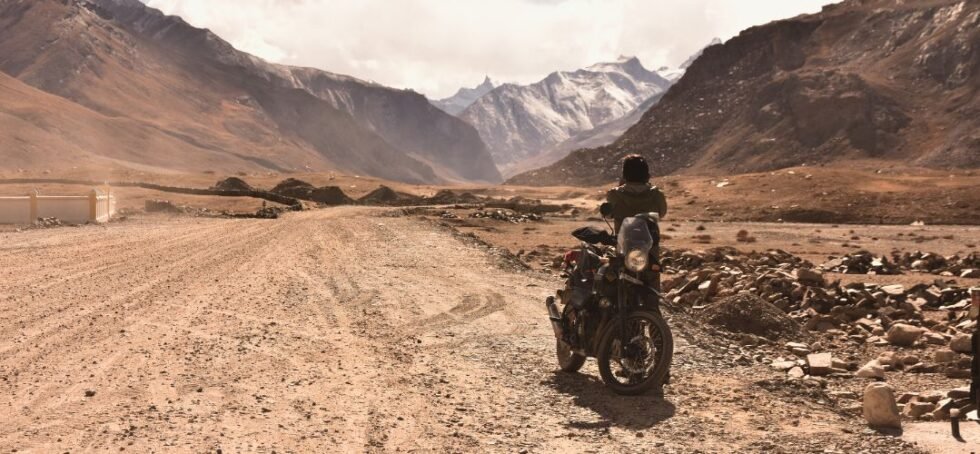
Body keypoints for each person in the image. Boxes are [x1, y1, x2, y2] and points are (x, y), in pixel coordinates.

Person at [604, 154, 667, 232]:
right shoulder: (657, 194)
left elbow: (608, 215)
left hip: (623, 241)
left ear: (624, 173)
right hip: (650, 241)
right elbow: (662, 214)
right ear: (646, 173)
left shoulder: (614, 194)